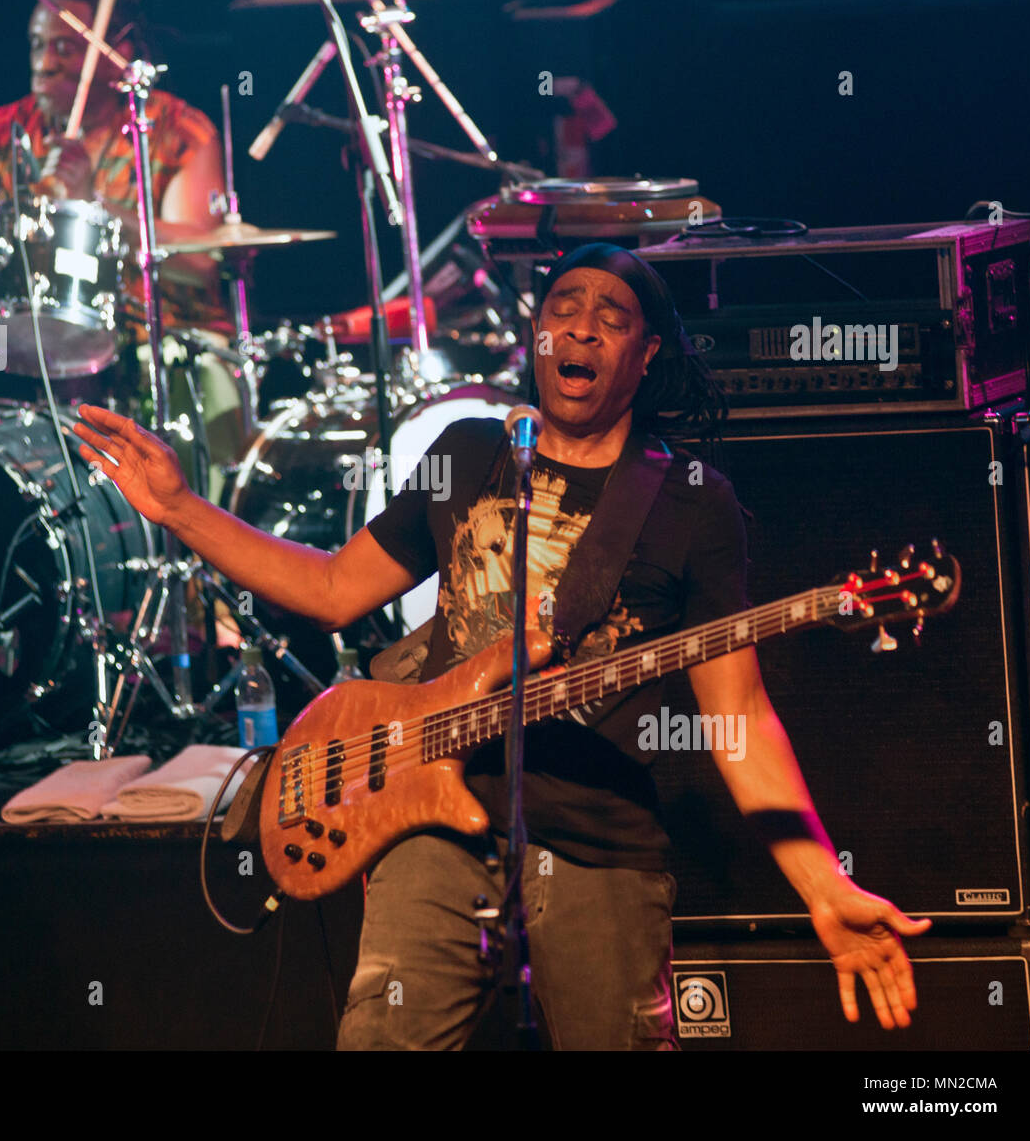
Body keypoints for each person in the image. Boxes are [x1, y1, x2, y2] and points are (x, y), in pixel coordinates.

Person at [72, 243, 932, 1050]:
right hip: (430, 820)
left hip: (599, 842)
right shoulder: (473, 450)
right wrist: (181, 506)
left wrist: (826, 886)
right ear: (539, 332)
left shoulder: (690, 503)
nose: (584, 325)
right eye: (565, 305)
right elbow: (332, 591)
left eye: (614, 315)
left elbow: (738, 715)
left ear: (646, 355)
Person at [0, 0, 224, 302]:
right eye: (37, 45)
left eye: (64, 49)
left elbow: (202, 263)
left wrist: (93, 207)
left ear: (117, 52)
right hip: (35, 334)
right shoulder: (5, 129)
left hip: (162, 339)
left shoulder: (179, 131)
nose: (43, 64)